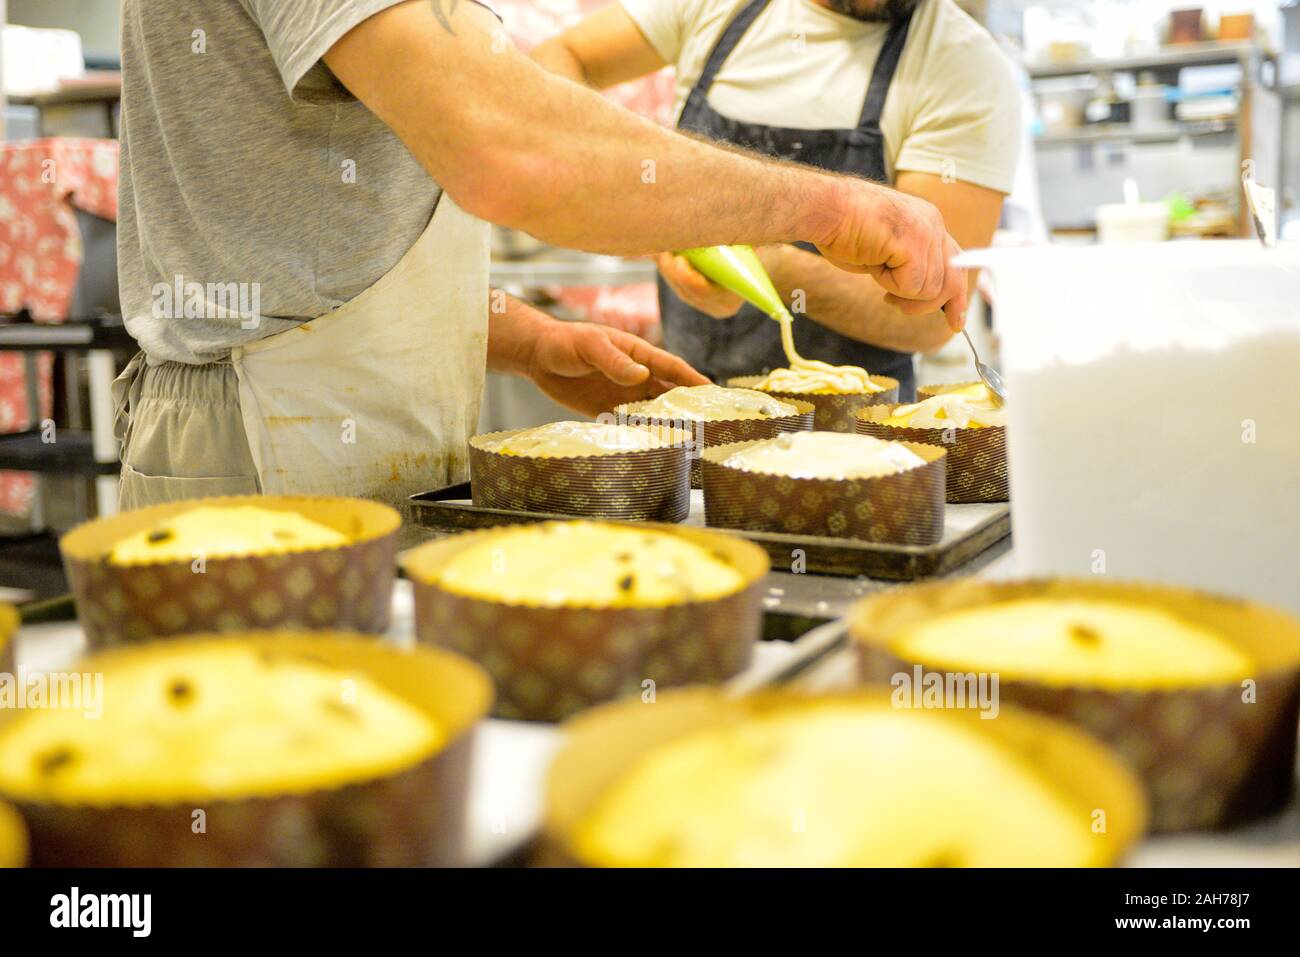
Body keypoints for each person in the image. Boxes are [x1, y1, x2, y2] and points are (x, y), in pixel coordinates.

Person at [114, 0, 966, 518]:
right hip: (261, 445)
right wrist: (831, 206)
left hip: (343, 429)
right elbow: (508, 150)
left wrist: (515, 336)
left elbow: (320, 211)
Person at [533, 0, 1019, 398]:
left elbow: (931, 318)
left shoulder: (963, 67)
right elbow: (557, 57)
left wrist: (762, 264)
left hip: (856, 441)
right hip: (686, 409)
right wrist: (651, 211)